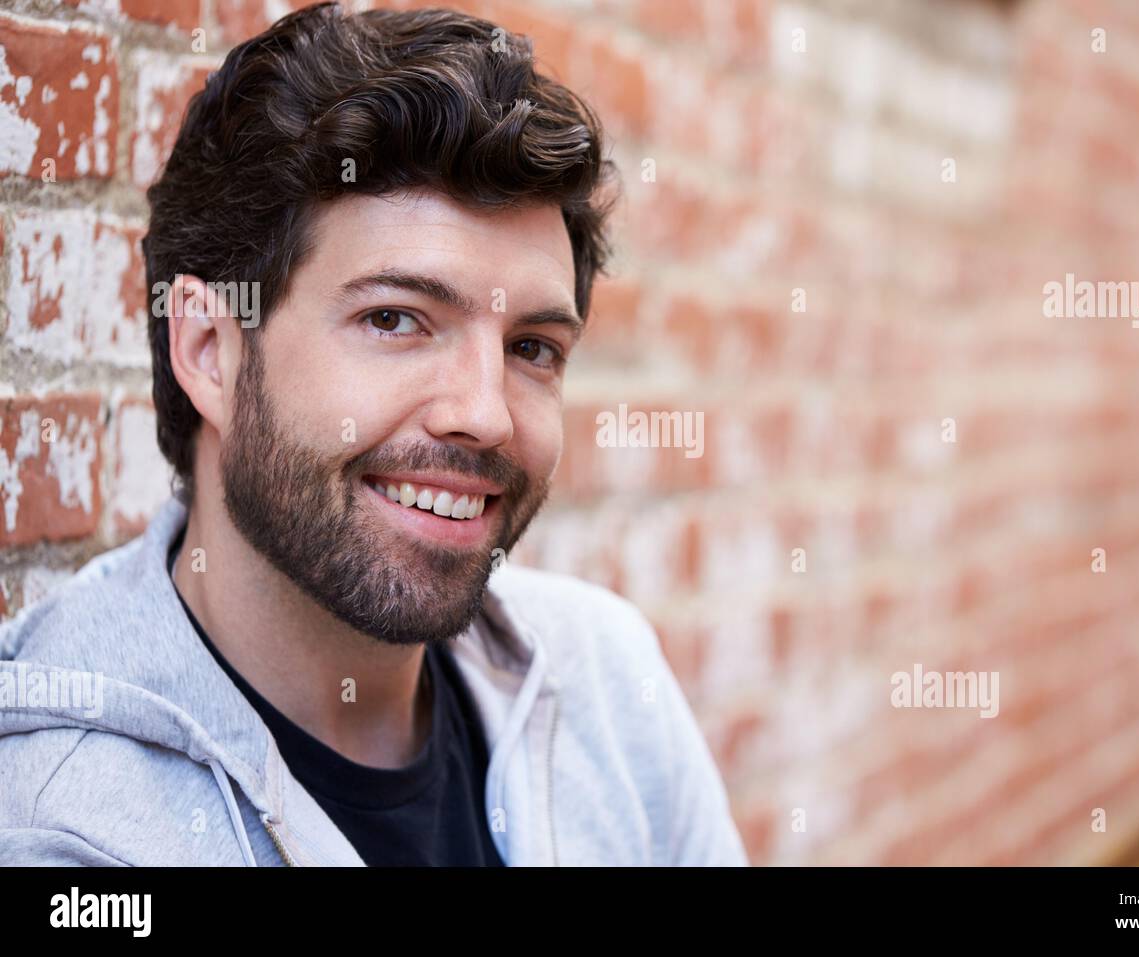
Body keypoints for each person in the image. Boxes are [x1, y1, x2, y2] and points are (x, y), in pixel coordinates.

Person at [0, 2, 747, 867]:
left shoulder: (609, 684)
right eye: (395, 319)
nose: (487, 411)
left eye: (532, 348)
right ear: (209, 350)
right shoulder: (63, 829)